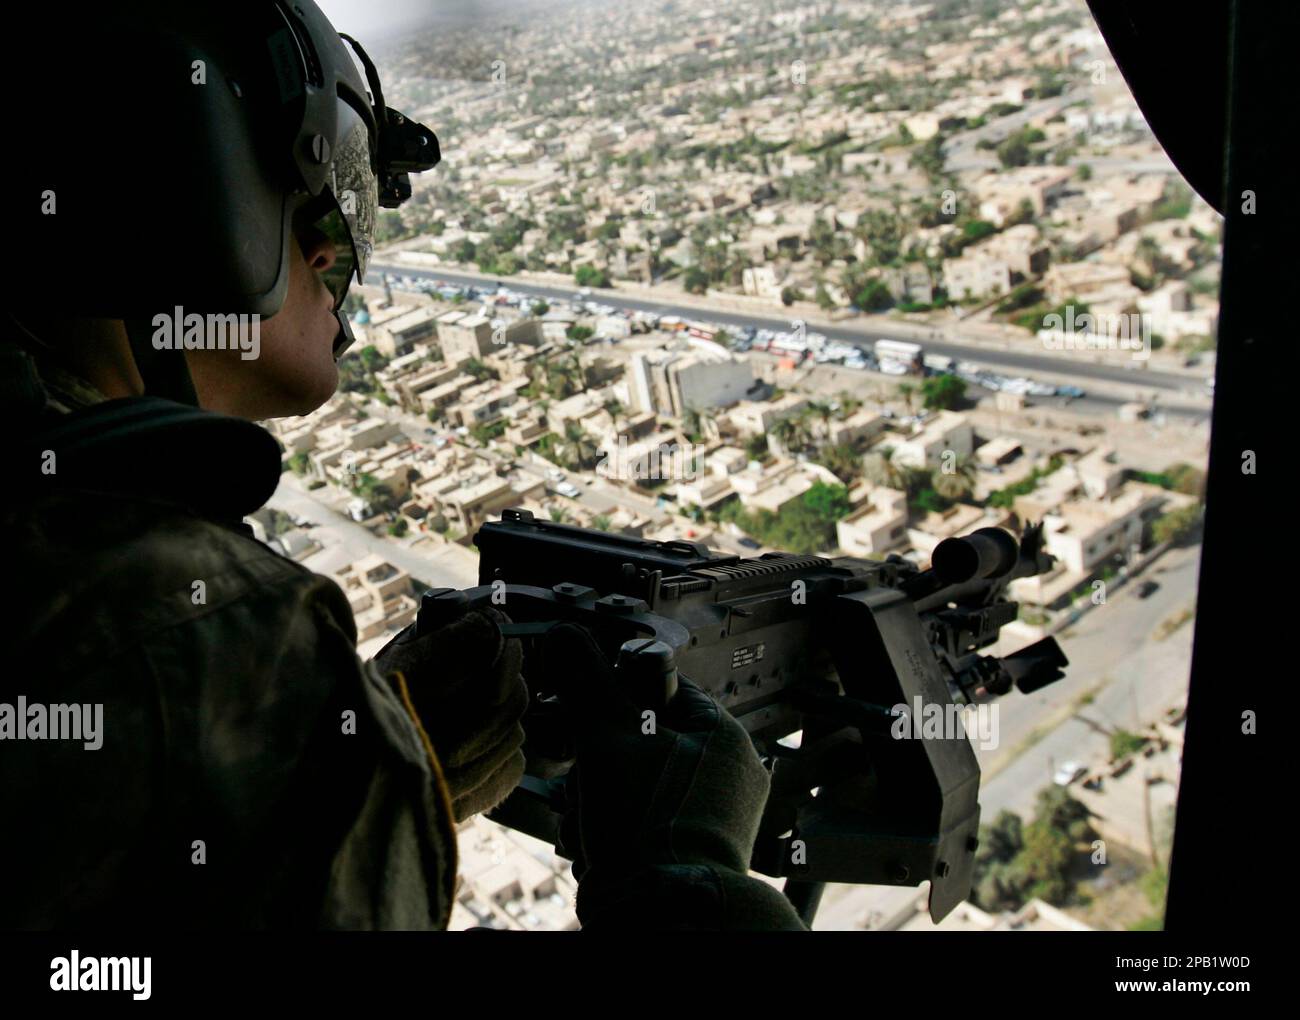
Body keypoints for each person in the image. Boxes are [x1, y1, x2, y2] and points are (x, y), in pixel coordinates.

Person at [0, 1, 806, 931]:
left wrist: (370, 756)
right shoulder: (182, 615)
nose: (329, 247)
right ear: (193, 183)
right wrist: (683, 870)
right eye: (313, 183)